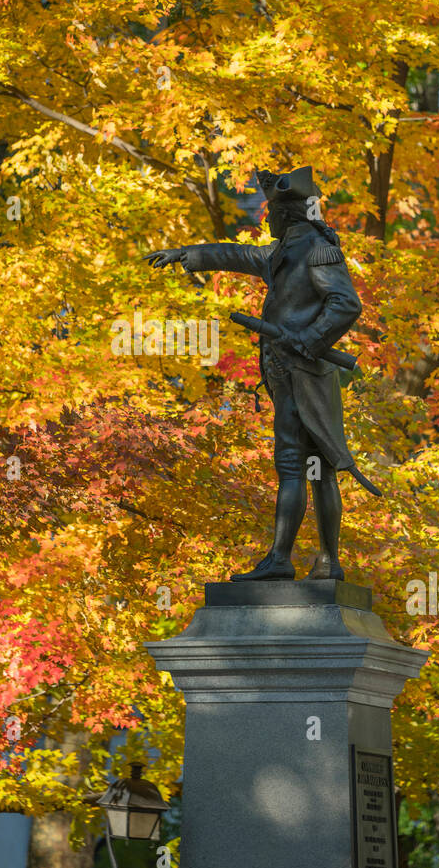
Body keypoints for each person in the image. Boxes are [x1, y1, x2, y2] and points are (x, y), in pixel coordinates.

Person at [145, 166, 379, 581]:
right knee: (315, 466)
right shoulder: (285, 250)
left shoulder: (315, 249)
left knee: (301, 465)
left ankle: (287, 560)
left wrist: (309, 339)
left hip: (304, 373)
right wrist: (187, 254)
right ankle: (322, 562)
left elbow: (345, 304)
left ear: (287, 215)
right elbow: (238, 255)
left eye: (270, 211)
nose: (265, 218)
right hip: (289, 373)